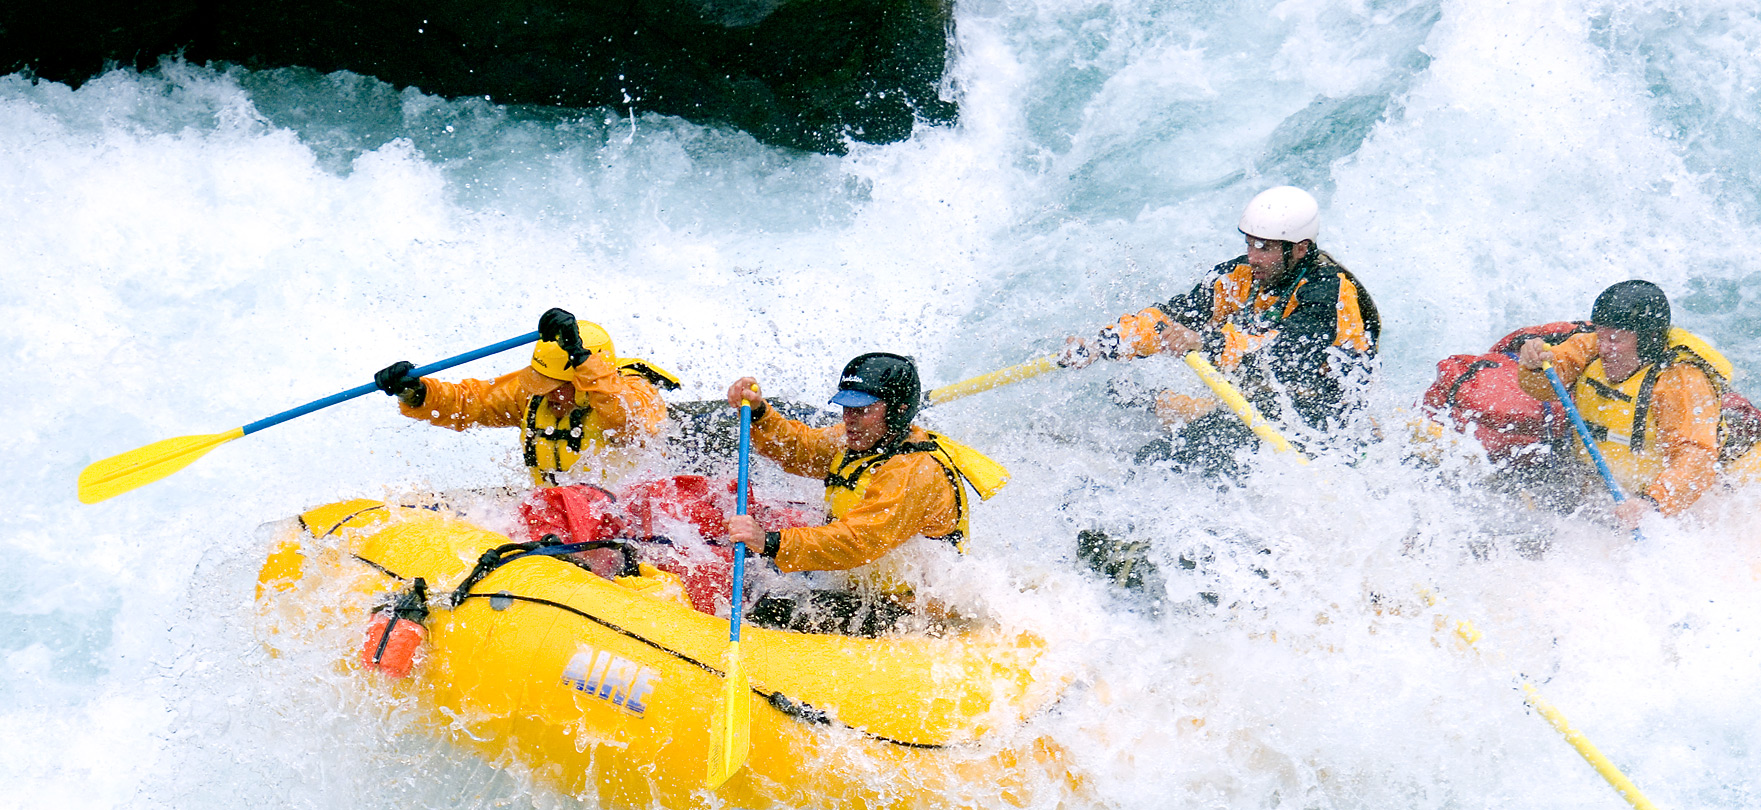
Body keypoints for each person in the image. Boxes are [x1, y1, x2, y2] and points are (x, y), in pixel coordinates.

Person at [1062, 184, 1381, 476]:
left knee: (1200, 448)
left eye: (1265, 248)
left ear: (1299, 249)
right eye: (1250, 244)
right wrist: (1104, 344)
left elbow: (1283, 357)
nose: (1252, 257)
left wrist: (1204, 343)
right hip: (1263, 402)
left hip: (1322, 415)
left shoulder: (1330, 292)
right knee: (1141, 414)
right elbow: (1171, 319)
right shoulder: (1241, 275)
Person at [722, 353, 1009, 636]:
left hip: (916, 610)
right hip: (863, 587)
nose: (850, 419)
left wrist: (770, 541)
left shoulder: (915, 471)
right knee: (756, 578)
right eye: (846, 408)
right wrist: (760, 412)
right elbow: (800, 449)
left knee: (774, 610)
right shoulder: (857, 439)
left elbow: (860, 541)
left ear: (899, 409)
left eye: (863, 410)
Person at [1515, 280, 1744, 528]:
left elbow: (1694, 460)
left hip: (1667, 500)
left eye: (1615, 340)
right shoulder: (1592, 346)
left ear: (1649, 338)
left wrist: (1651, 504)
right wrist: (1533, 364)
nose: (1604, 348)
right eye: (1600, 336)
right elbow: (1544, 387)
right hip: (1596, 484)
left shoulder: (1680, 380)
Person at [375, 308, 678, 485]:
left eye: (558, 384)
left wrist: (579, 356)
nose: (548, 393)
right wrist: (416, 392)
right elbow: (471, 402)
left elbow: (626, 416)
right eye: (542, 382)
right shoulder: (535, 394)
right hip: (555, 518)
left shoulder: (635, 393)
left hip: (624, 516)